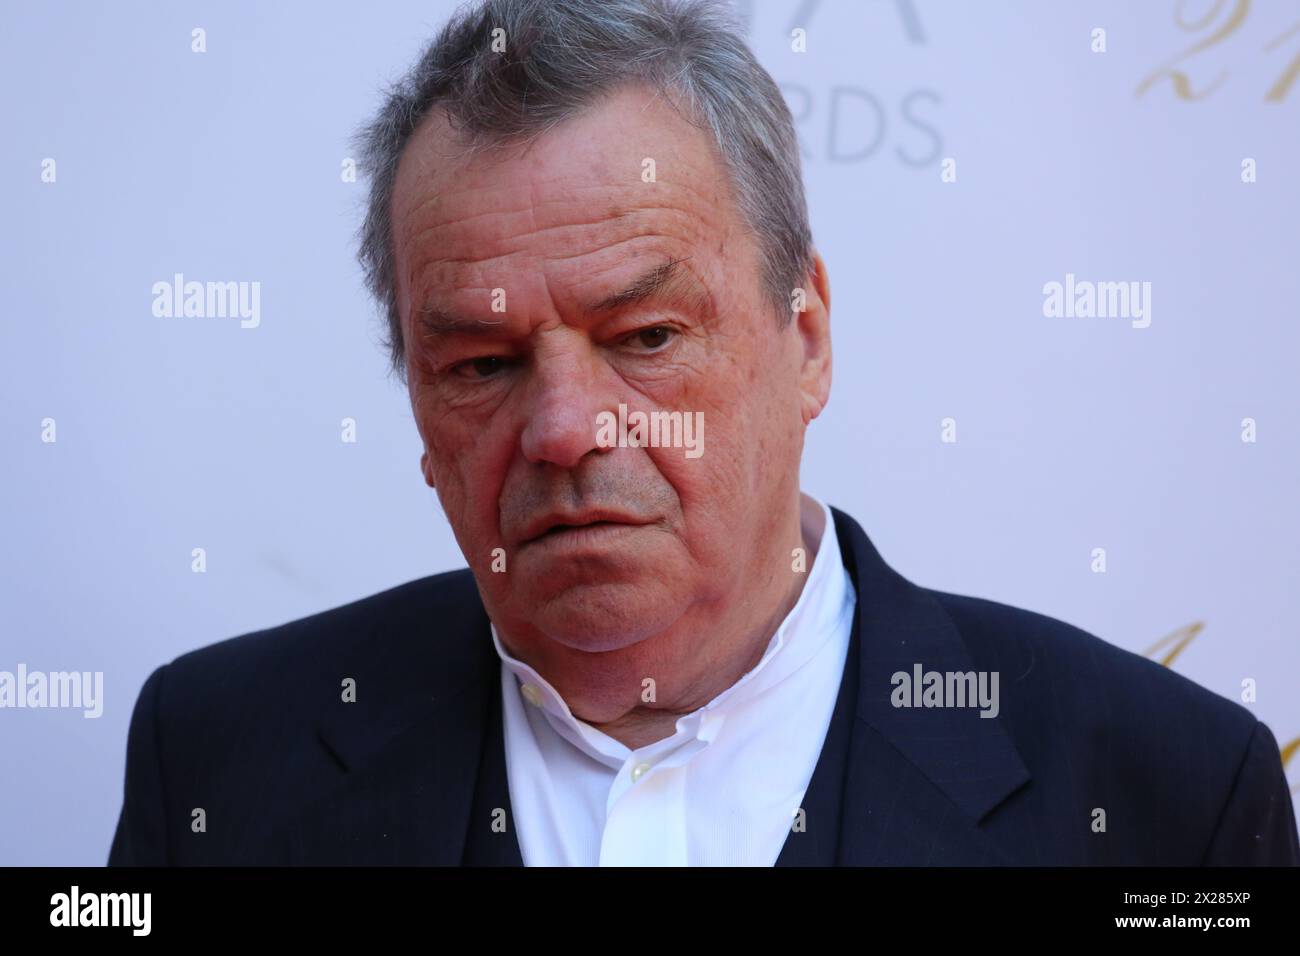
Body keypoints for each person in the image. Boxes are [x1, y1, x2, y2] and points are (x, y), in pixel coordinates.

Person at [109, 0, 1298, 866]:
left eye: (647, 334)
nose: (567, 428)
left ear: (808, 339)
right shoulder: (217, 759)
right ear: (418, 407)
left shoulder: (1161, 794)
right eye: (481, 362)